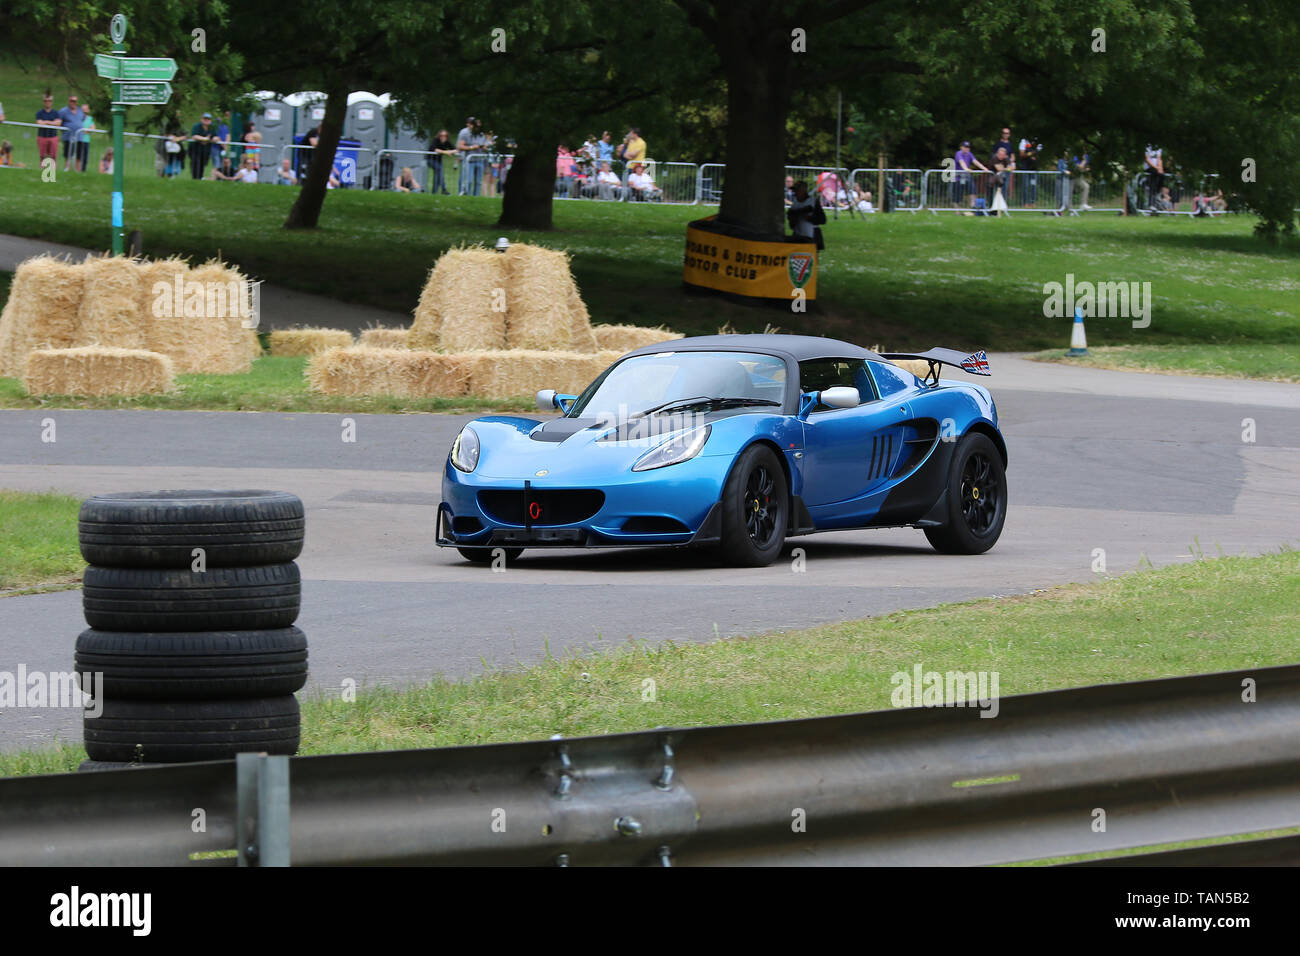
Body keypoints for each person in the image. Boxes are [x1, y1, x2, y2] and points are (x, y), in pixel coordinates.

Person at [952, 141, 987, 210]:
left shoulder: (969, 154)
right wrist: (966, 168)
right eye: (965, 147)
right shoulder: (958, 153)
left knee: (973, 190)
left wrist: (984, 168)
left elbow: (975, 162)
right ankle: (957, 210)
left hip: (966, 176)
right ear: (961, 147)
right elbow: (961, 162)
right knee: (957, 195)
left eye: (968, 147)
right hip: (958, 177)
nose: (967, 149)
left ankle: (973, 206)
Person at [456, 116, 484, 195]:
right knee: (469, 181)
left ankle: (476, 197)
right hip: (468, 160)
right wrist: (472, 147)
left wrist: (485, 146)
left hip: (479, 159)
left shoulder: (480, 133)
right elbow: (460, 146)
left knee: (479, 182)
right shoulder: (464, 133)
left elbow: (484, 145)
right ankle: (466, 195)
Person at [57, 94, 85, 171]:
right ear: (69, 101)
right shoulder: (63, 111)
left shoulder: (80, 111)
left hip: (79, 137)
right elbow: (59, 123)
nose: (73, 103)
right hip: (68, 137)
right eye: (72, 101)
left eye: (75, 101)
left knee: (79, 156)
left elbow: (81, 121)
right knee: (68, 155)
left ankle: (78, 171)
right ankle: (67, 169)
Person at [35, 93, 62, 166]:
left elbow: (58, 123)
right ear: (43, 102)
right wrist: (52, 122)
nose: (47, 102)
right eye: (46, 101)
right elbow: (39, 123)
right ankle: (42, 171)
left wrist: (46, 122)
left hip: (53, 137)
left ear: (52, 102)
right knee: (42, 156)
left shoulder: (56, 113)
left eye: (49, 101)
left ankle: (52, 172)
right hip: (42, 137)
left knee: (53, 156)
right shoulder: (39, 113)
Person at [427, 128, 455, 194]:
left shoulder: (447, 142)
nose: (443, 137)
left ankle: (435, 192)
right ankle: (443, 189)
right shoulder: (435, 140)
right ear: (439, 136)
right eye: (441, 136)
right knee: (439, 171)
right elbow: (435, 150)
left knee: (438, 175)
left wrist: (450, 152)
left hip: (438, 161)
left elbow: (455, 149)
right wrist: (446, 152)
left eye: (445, 136)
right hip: (430, 160)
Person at [189, 112, 215, 179]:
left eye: (208, 119)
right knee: (195, 165)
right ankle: (195, 178)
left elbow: (216, 137)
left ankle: (200, 178)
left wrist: (210, 139)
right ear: (202, 119)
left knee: (202, 164)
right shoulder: (197, 126)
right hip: (195, 149)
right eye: (205, 118)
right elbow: (194, 136)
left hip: (205, 150)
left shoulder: (212, 127)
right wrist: (204, 139)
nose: (207, 120)